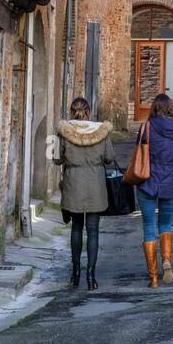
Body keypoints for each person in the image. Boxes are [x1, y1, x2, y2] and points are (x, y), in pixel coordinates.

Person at [54, 97, 114, 290]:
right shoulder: (101, 131)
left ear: (71, 111)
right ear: (89, 111)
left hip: (73, 184)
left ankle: (75, 272)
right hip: (95, 185)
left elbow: (56, 159)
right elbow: (110, 158)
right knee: (94, 230)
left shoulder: (64, 132)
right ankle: (91, 275)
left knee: (76, 228)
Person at [135, 92, 173, 287]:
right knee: (166, 224)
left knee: (149, 226)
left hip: (148, 181)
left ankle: (153, 278)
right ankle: (166, 260)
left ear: (154, 108)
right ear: (171, 108)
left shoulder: (146, 128)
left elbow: (138, 151)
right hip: (171, 182)